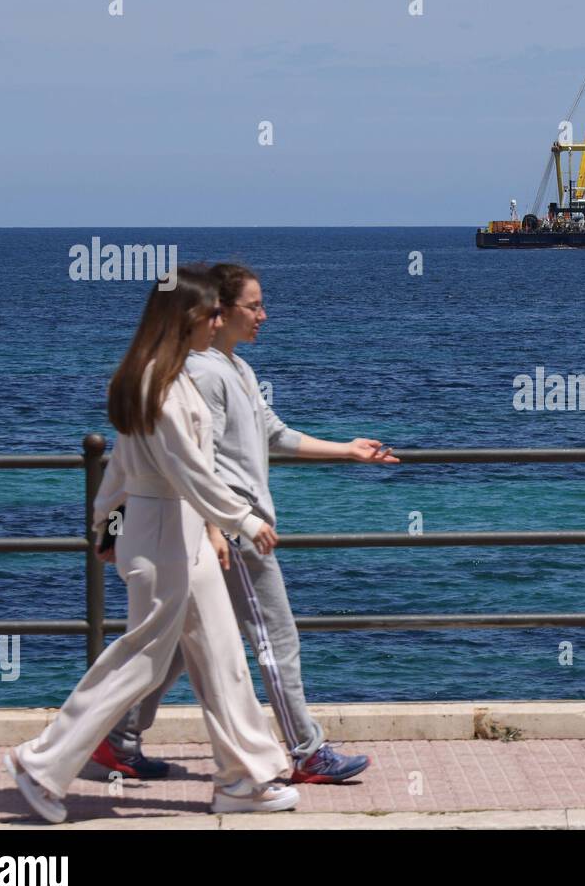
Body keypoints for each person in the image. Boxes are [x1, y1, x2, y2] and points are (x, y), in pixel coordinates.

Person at [5, 266, 299, 824]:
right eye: (213, 311)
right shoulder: (157, 385)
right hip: (164, 530)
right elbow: (190, 470)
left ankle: (246, 778)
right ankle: (41, 763)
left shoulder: (168, 376)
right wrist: (240, 519)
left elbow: (119, 468)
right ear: (187, 316)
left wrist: (106, 526)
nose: (220, 320)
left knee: (222, 655)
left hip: (177, 528)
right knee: (140, 661)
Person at [92, 262, 399, 784]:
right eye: (252, 306)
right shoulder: (205, 373)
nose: (263, 314)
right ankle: (306, 750)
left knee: (175, 644)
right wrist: (221, 526)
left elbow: (273, 434)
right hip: (234, 529)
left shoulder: (236, 368)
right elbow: (196, 462)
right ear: (221, 310)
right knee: (275, 638)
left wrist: (348, 450)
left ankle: (118, 740)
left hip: (228, 527)